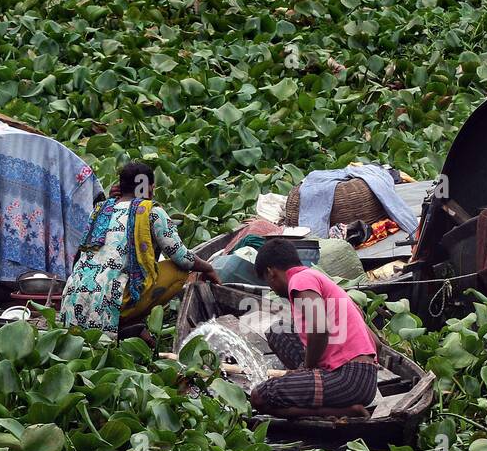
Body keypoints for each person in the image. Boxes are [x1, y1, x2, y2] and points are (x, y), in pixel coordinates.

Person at [59, 161, 219, 335]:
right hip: (110, 306)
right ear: (150, 187)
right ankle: (127, 323)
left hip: (73, 302)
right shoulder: (152, 211)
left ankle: (129, 323)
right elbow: (182, 257)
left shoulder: (99, 209)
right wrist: (208, 268)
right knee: (179, 270)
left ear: (120, 186)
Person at [249, 238, 378, 418]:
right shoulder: (319, 279)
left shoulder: (300, 280)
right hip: (366, 382)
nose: (271, 287)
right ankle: (312, 381)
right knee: (278, 332)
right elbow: (376, 343)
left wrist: (307, 369)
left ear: (271, 272)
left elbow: (319, 329)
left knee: (259, 397)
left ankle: (345, 411)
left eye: (267, 281)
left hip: (348, 381)